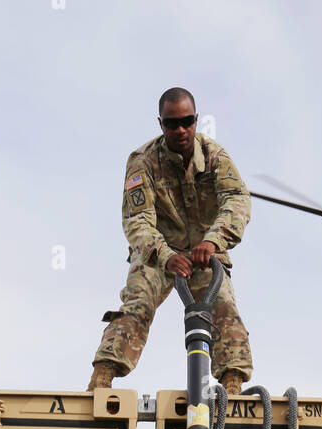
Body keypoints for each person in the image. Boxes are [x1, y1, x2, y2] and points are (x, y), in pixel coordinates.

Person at [87, 86, 252, 397]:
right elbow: (137, 220)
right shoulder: (143, 162)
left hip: (204, 252)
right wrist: (164, 255)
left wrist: (212, 242)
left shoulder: (215, 157)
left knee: (223, 304)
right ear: (160, 124)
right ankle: (102, 378)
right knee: (137, 302)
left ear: (196, 120)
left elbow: (237, 201)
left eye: (187, 122)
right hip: (158, 253)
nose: (180, 130)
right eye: (172, 124)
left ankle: (233, 384)